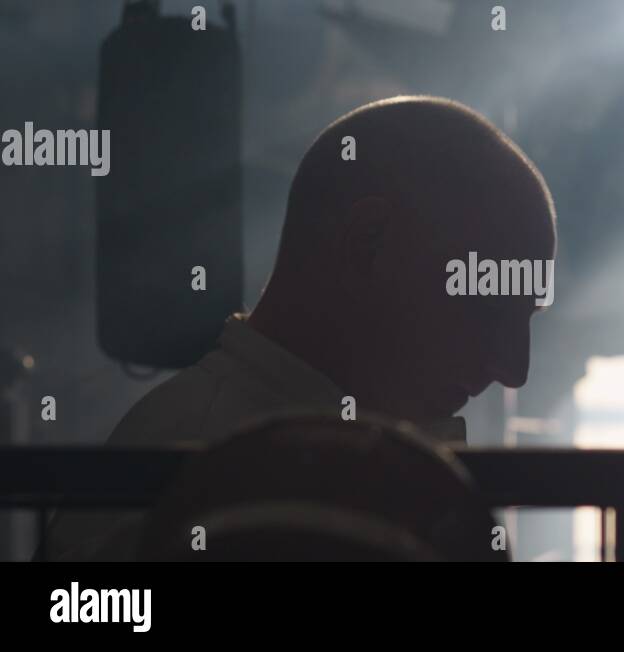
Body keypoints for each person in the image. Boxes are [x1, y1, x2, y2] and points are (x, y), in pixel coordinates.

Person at [40, 96, 557, 561]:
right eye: (489, 305)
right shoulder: (206, 471)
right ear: (369, 243)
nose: (514, 369)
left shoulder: (196, 460)